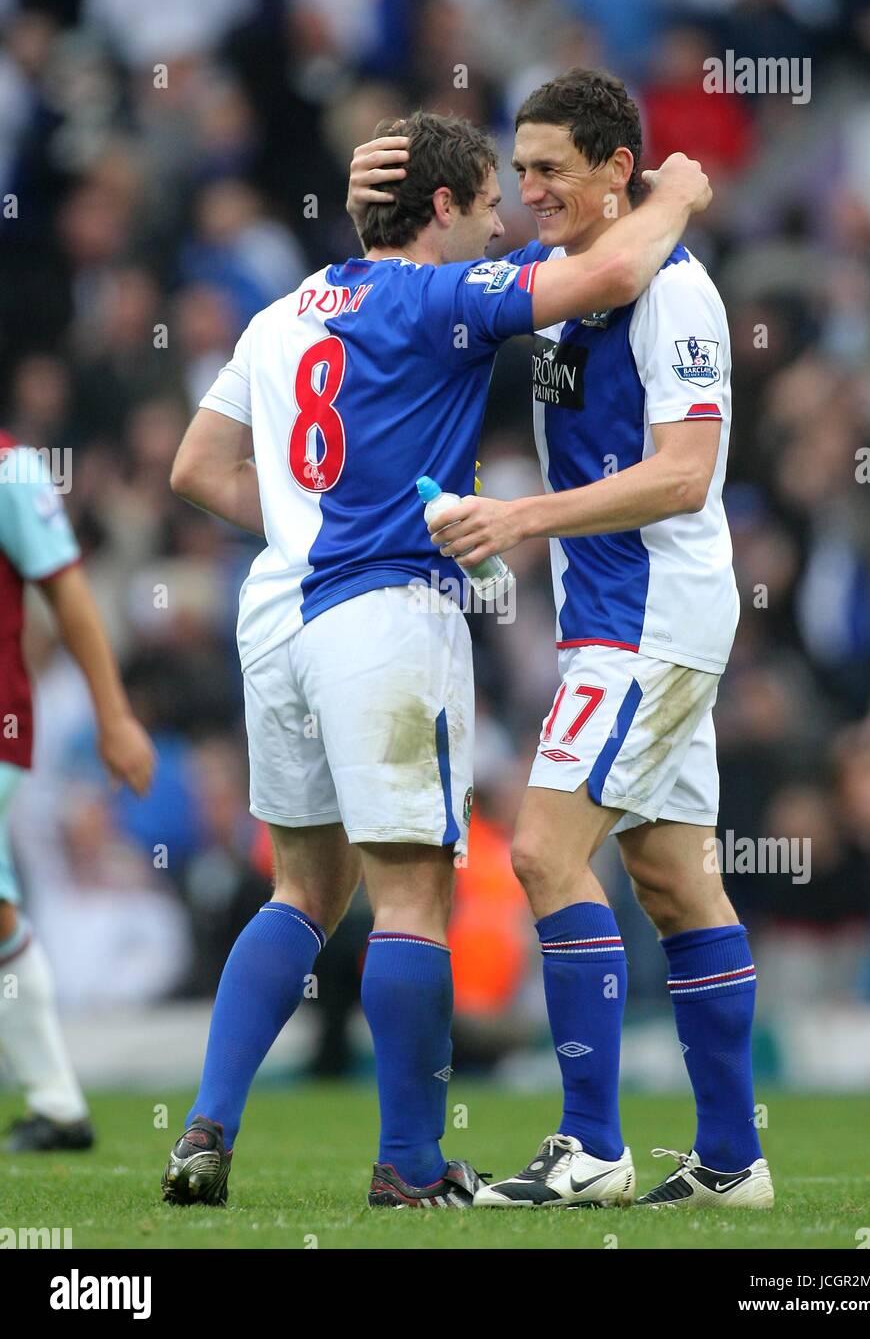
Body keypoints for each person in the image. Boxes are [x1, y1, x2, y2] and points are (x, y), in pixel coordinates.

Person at [165, 108, 710, 1208]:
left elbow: (192, 468)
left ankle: (205, 1127)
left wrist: (301, 523)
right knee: (412, 899)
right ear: (446, 206)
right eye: (490, 201)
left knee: (303, 890)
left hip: (280, 610)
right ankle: (412, 1166)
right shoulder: (437, 299)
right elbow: (601, 278)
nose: (506, 219)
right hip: (382, 608)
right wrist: (678, 197)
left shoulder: (283, 312)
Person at [347, 68, 773, 1210]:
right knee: (675, 879)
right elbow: (406, 278)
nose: (528, 189)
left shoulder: (672, 292)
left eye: (549, 170)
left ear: (614, 172)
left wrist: (524, 516)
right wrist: (365, 194)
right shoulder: (563, 277)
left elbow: (683, 474)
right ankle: (733, 1163)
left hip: (647, 616)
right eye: (518, 169)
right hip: (617, 614)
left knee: (539, 851)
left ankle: (590, 1143)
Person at [0, 433, 155, 1151]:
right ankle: (59, 1105)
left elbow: (66, 587)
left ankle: (59, 1103)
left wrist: (114, 715)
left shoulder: (11, 467)